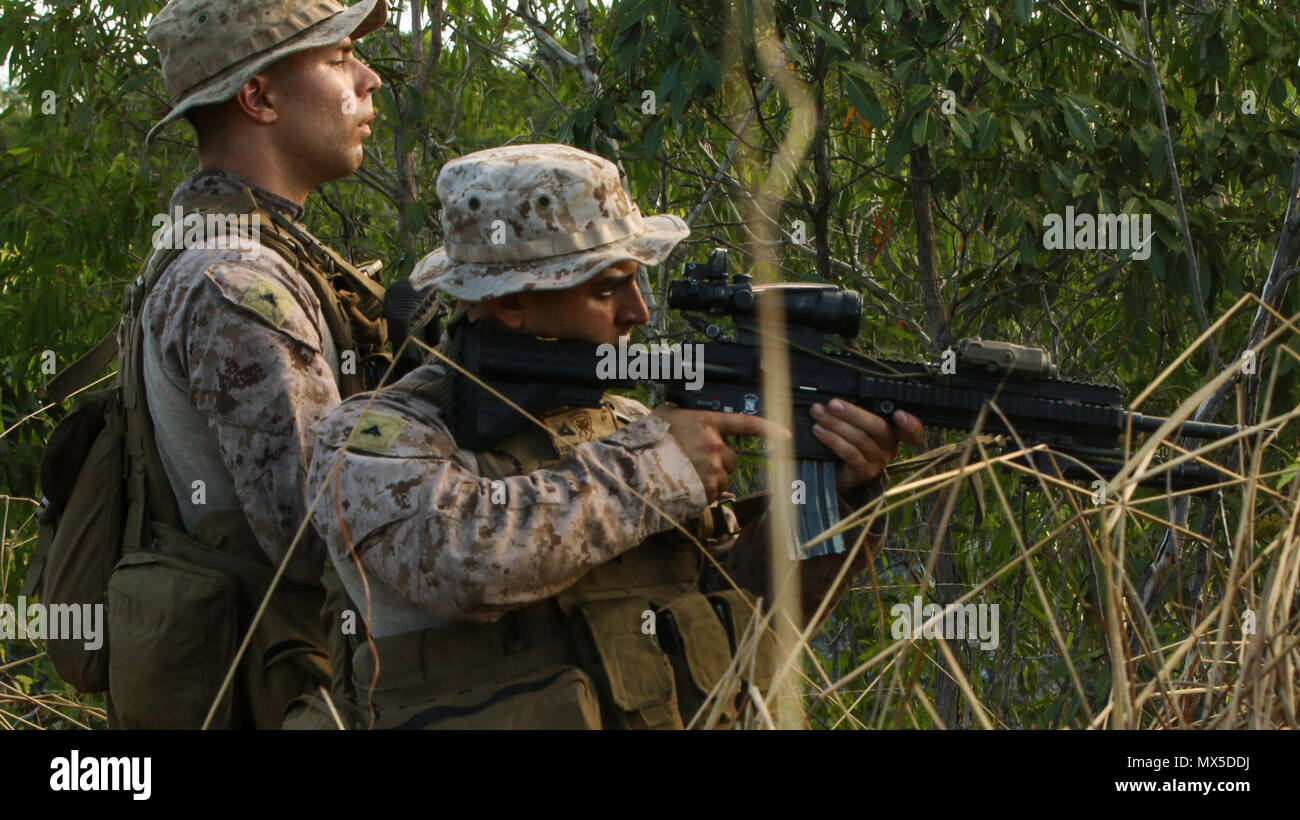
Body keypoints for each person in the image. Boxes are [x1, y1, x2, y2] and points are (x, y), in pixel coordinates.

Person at [305, 144, 925, 729]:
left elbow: (740, 607)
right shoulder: (377, 436)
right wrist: (654, 470)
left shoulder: (626, 423)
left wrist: (835, 498)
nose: (638, 312)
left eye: (634, 280)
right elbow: (466, 562)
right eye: (605, 288)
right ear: (511, 305)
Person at [106, 0, 389, 729]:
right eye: (336, 59)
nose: (370, 77)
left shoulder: (230, 248)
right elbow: (321, 536)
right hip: (276, 689)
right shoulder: (236, 281)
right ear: (259, 97)